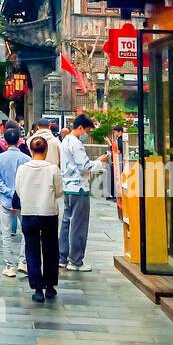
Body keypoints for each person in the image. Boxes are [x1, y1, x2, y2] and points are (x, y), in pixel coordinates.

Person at [16, 132, 64, 303]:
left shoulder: (22, 169)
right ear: (46, 150)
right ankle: (50, 286)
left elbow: (19, 191)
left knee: (32, 250)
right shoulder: (52, 169)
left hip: (29, 213)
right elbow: (59, 191)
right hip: (48, 213)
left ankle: (37, 289)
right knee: (51, 250)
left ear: (31, 150)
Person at [60, 114, 104, 272]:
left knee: (67, 223)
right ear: (80, 128)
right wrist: (100, 162)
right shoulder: (76, 143)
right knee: (78, 225)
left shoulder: (65, 140)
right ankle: (76, 259)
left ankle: (62, 257)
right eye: (86, 131)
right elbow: (85, 166)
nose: (86, 134)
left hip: (68, 187)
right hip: (79, 187)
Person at [0, 125, 31, 278]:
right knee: (26, 233)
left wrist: (9, 193)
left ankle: (10, 266)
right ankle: (23, 261)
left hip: (6, 201)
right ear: (20, 140)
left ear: (5, 142)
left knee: (6, 234)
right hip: (23, 201)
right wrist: (18, 194)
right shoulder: (27, 159)